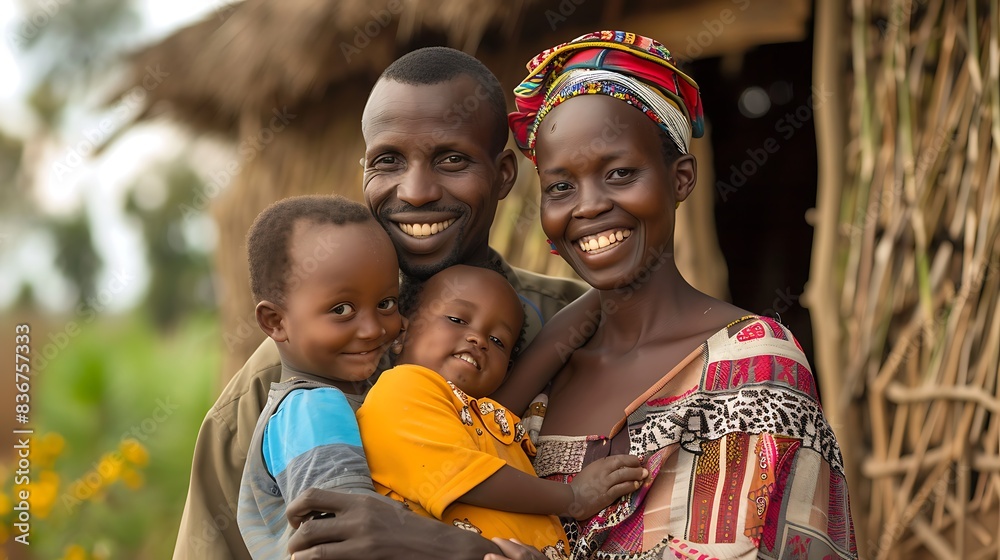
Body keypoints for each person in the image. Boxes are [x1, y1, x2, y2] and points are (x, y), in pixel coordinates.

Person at [172, 46, 588, 560]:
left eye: (452, 158)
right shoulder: (278, 383)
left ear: (504, 174)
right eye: (388, 160)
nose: (414, 192)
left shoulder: (583, 327)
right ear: (364, 169)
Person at [502, 30, 858, 558]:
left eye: (620, 173)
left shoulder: (754, 363)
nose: (588, 205)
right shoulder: (537, 379)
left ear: (681, 178)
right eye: (560, 186)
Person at [357, 265, 646, 559]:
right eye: (457, 319)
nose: (478, 339)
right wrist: (572, 496)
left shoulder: (489, 414)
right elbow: (464, 477)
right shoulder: (402, 387)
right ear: (401, 334)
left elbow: (550, 347)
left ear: (506, 370)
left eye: (498, 341)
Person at [235, 195, 404, 559]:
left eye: (386, 303)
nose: (373, 329)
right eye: (341, 310)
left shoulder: (370, 385)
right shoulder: (312, 411)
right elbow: (356, 542)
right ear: (276, 322)